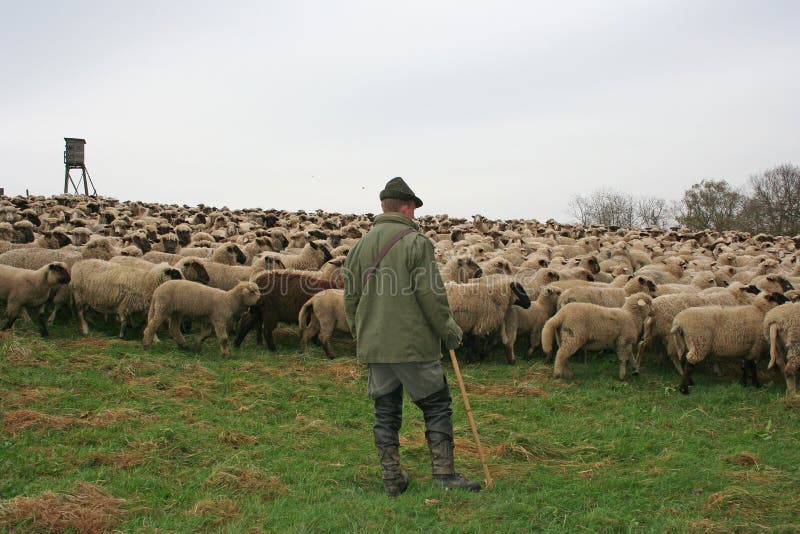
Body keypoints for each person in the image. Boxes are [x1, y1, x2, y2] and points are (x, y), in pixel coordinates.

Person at [343, 177, 482, 497]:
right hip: (413, 345)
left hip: (376, 345)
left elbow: (349, 298)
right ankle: (444, 474)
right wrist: (448, 331)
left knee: (386, 411)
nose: (416, 215)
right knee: (436, 405)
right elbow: (431, 295)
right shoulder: (416, 243)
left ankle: (392, 477)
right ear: (406, 207)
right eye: (414, 209)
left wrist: (359, 333)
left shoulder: (360, 246)